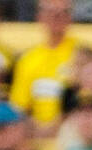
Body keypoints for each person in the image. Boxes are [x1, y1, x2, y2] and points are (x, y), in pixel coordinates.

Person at [8, 0, 80, 135]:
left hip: (75, 134)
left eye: (62, 13)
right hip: (36, 133)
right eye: (50, 12)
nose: (56, 18)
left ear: (70, 18)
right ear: (40, 17)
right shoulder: (28, 60)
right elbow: (19, 107)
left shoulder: (81, 56)